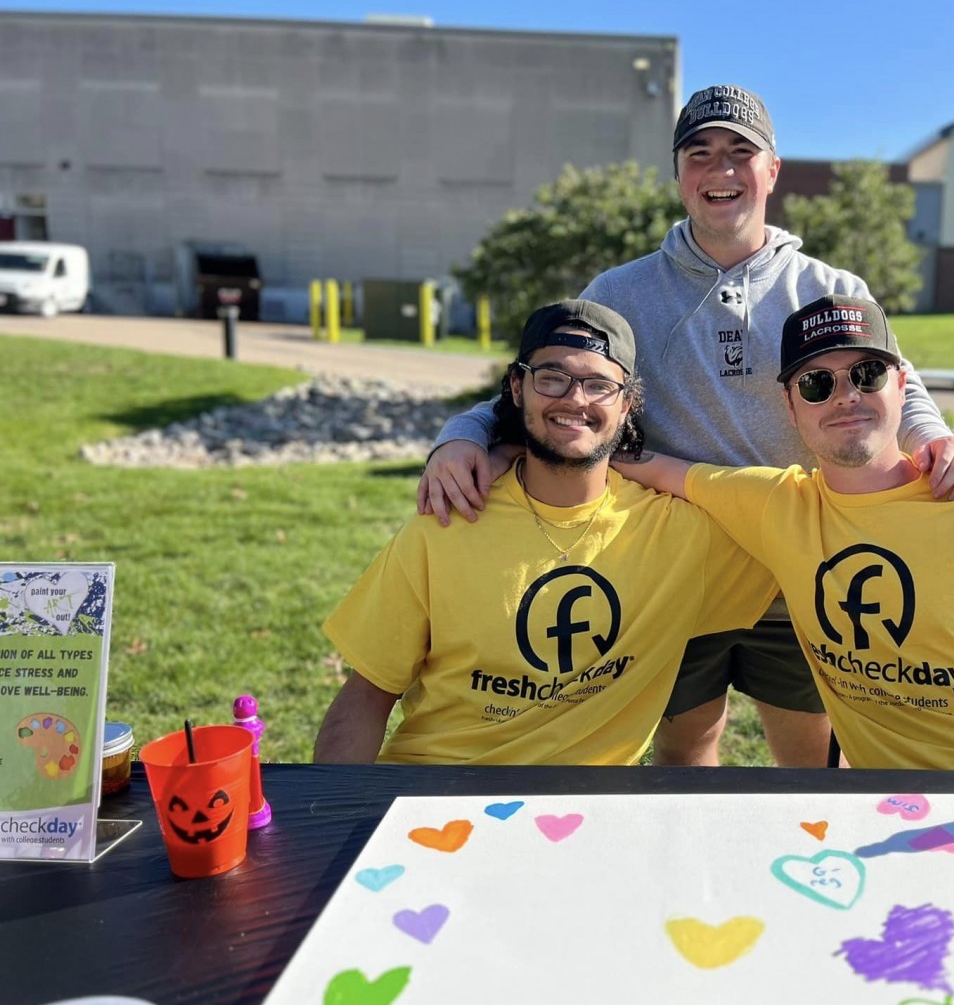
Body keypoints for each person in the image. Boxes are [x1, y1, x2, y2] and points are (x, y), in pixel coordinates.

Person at [415, 84, 954, 768]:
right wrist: (464, 436)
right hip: (670, 565)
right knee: (686, 750)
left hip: (804, 563)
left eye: (741, 153)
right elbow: (549, 382)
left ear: (772, 171)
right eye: (700, 153)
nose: (721, 171)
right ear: (679, 174)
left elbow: (898, 384)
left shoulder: (829, 290)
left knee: (806, 759)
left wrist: (938, 443)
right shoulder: (620, 293)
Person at [613, 295, 954, 771]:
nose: (846, 397)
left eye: (867, 374)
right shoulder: (779, 506)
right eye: (816, 384)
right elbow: (660, 470)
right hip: (881, 810)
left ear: (901, 385)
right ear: (791, 407)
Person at [313, 301, 777, 766]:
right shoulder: (447, 519)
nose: (576, 400)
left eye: (600, 386)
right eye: (552, 379)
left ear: (627, 404)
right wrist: (330, 812)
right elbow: (367, 695)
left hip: (585, 810)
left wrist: (666, 470)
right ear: (517, 387)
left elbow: (804, 525)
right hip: (436, 790)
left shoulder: (681, 536)